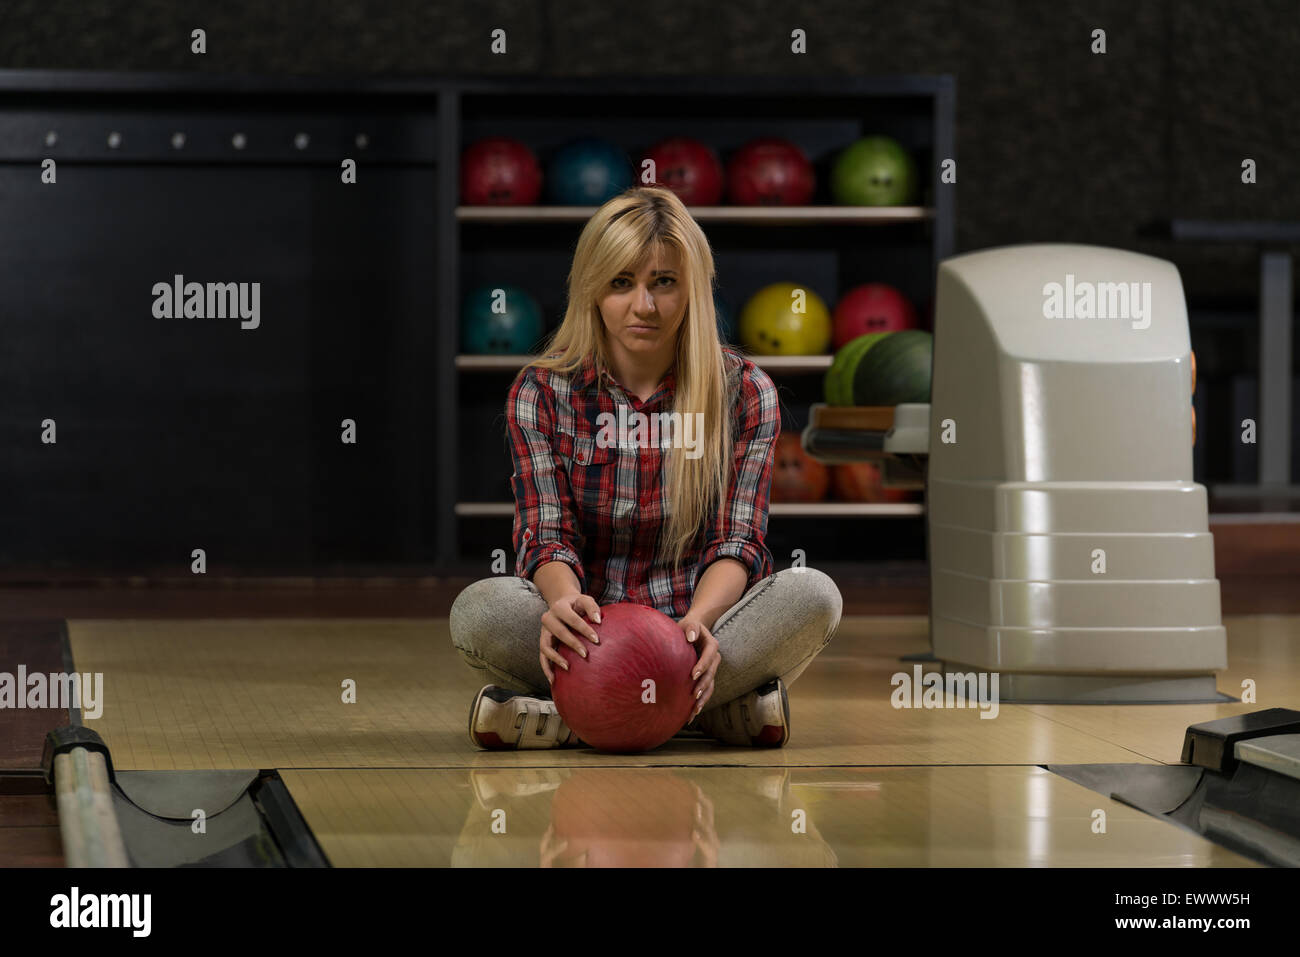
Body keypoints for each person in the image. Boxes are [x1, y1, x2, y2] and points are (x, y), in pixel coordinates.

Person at [450, 184, 842, 750]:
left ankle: (575, 719)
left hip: (699, 632)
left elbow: (738, 541)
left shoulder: (746, 392)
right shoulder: (541, 392)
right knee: (480, 612)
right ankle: (707, 714)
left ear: (692, 290)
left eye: (664, 282)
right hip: (590, 634)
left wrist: (701, 625)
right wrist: (562, 604)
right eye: (621, 283)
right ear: (592, 290)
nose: (644, 306)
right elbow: (547, 535)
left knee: (814, 595)